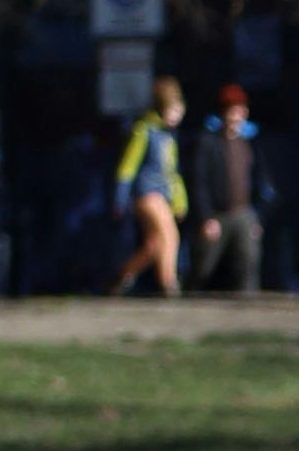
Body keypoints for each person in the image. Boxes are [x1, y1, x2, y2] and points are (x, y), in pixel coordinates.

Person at [112, 66, 190, 297]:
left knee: (153, 244)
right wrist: (119, 198)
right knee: (169, 233)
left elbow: (173, 173)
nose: (176, 115)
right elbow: (127, 167)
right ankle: (168, 283)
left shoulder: (168, 136)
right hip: (146, 193)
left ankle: (122, 276)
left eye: (179, 110)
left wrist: (180, 201)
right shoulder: (144, 130)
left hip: (164, 193)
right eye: (172, 110)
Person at [191, 79, 264, 295]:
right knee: (204, 265)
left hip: (244, 213)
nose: (235, 117)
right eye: (231, 111)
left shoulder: (250, 143)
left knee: (248, 263)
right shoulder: (208, 143)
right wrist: (205, 217)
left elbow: (260, 180)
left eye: (239, 111)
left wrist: (259, 215)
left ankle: (247, 308)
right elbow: (199, 182)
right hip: (216, 214)